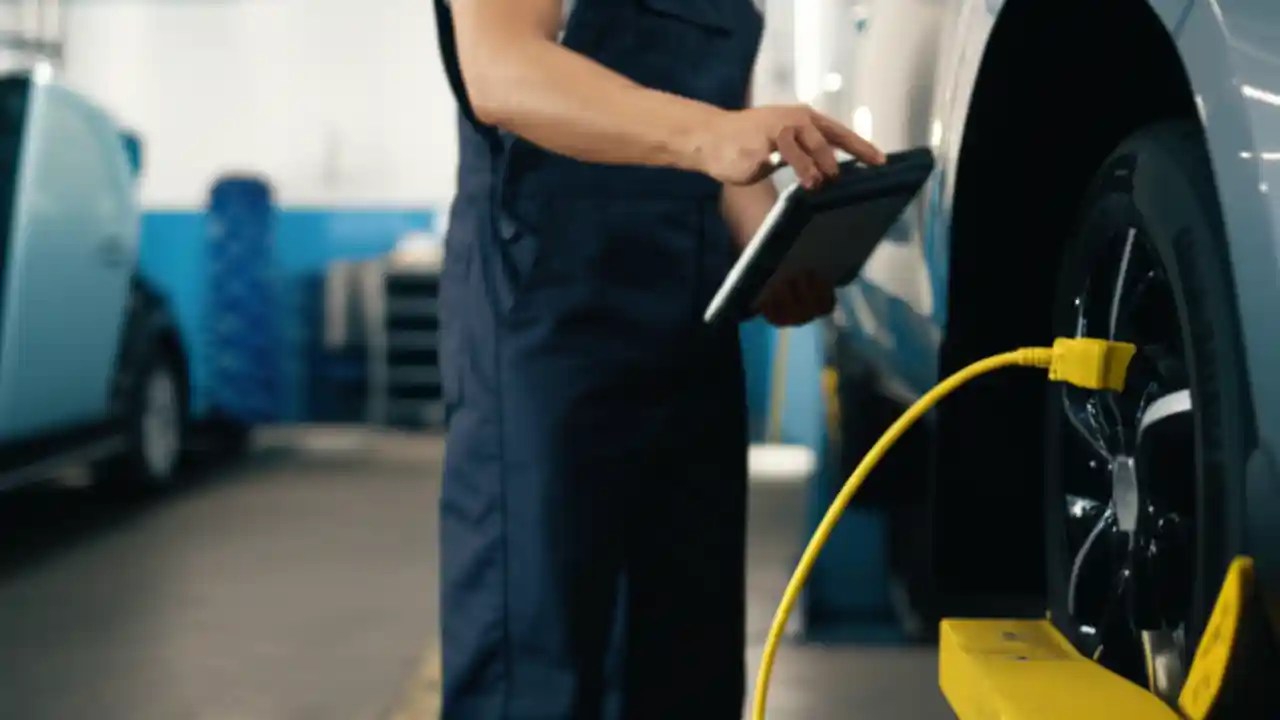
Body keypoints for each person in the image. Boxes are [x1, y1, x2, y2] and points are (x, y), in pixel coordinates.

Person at [432, 0, 884, 716]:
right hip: (544, 319)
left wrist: (771, 246)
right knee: (533, 661)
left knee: (686, 662)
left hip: (689, 321)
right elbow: (501, 69)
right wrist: (711, 136)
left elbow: (723, 143)